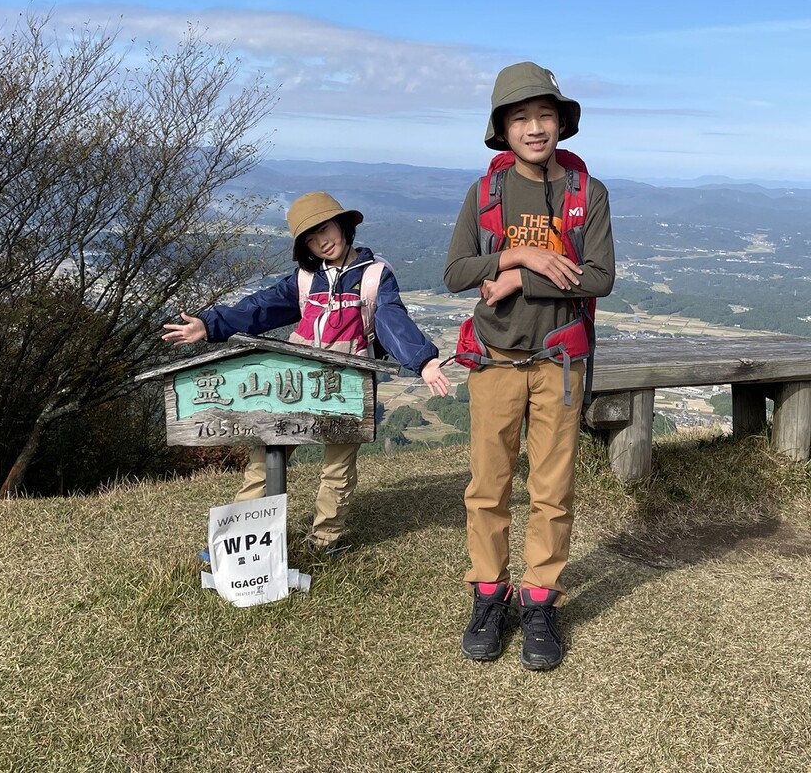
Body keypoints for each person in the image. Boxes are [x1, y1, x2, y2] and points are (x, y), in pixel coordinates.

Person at [443, 62, 615, 670]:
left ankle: (540, 601)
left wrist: (522, 274)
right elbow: (456, 271)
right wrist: (513, 253)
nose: (535, 127)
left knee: (552, 488)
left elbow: (601, 278)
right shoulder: (484, 194)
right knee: (487, 486)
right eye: (521, 118)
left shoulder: (585, 194)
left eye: (544, 115)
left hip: (559, 363)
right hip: (493, 361)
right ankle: (490, 596)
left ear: (559, 123)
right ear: (502, 129)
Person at [162, 191, 449, 552]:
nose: (322, 241)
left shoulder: (374, 276)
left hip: (347, 381)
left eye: (326, 229)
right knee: (265, 459)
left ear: (343, 226)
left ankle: (325, 540)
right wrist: (209, 325)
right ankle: (238, 542)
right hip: (295, 380)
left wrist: (422, 359)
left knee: (337, 467)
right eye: (311, 238)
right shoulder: (303, 279)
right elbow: (258, 308)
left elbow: (391, 320)